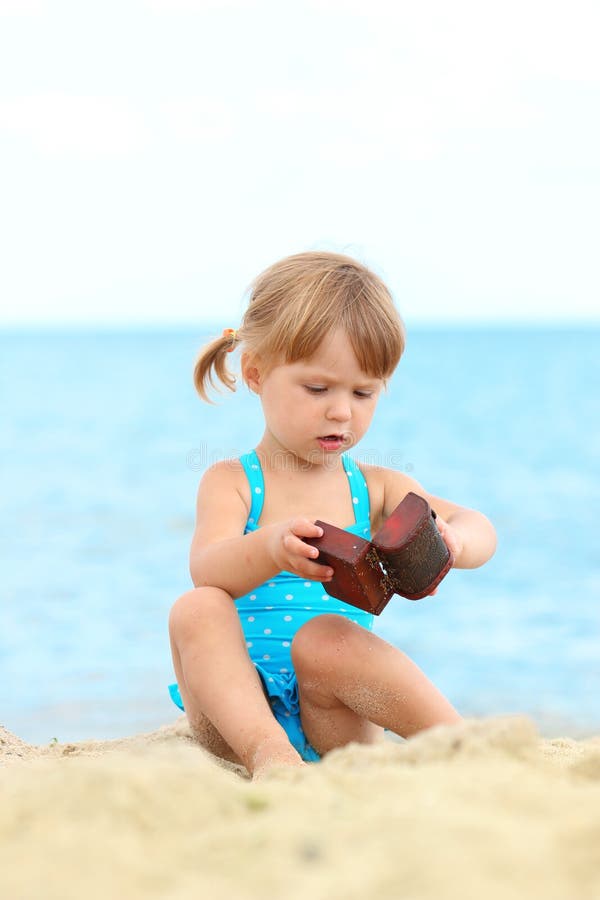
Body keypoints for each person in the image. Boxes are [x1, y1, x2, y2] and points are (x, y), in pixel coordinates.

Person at [168, 251, 497, 778]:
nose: (341, 411)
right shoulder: (233, 482)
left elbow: (478, 526)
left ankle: (461, 743)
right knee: (196, 607)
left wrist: (453, 543)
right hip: (235, 718)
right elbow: (207, 569)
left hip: (334, 717)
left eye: (363, 392)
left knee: (325, 635)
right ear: (255, 373)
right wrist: (270, 548)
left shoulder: (377, 488)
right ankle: (271, 755)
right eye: (318, 389)